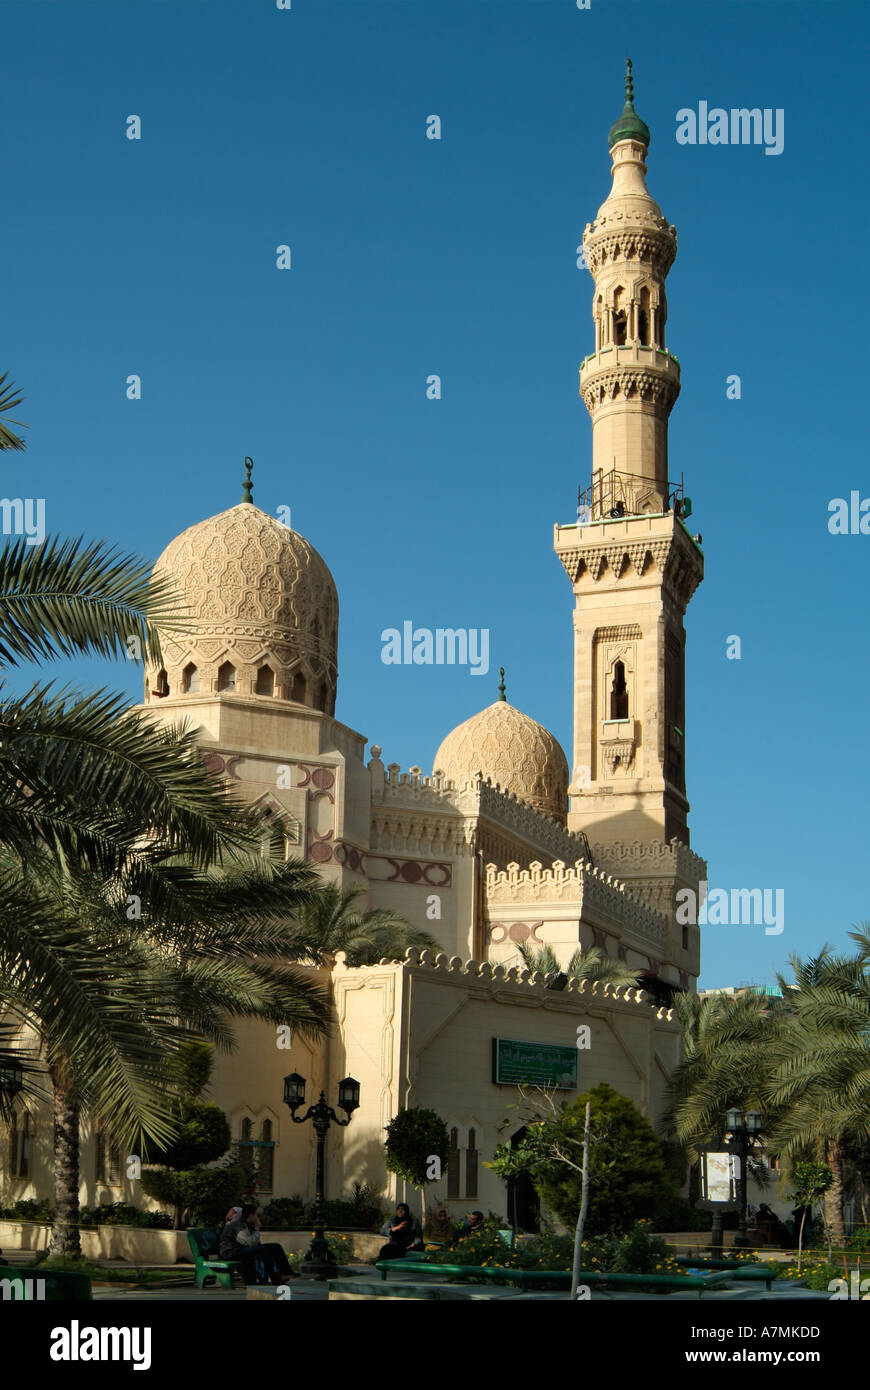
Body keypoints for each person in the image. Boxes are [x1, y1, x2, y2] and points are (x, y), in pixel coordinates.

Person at [219, 1203, 295, 1284]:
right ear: (251, 1215)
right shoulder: (237, 1224)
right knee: (263, 1250)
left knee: (275, 1246)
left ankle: (286, 1273)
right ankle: (275, 1279)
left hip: (240, 1249)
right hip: (231, 1251)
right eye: (256, 1215)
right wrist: (257, 1229)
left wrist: (255, 1231)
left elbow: (253, 1243)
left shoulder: (245, 1223)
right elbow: (250, 1243)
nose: (257, 1217)